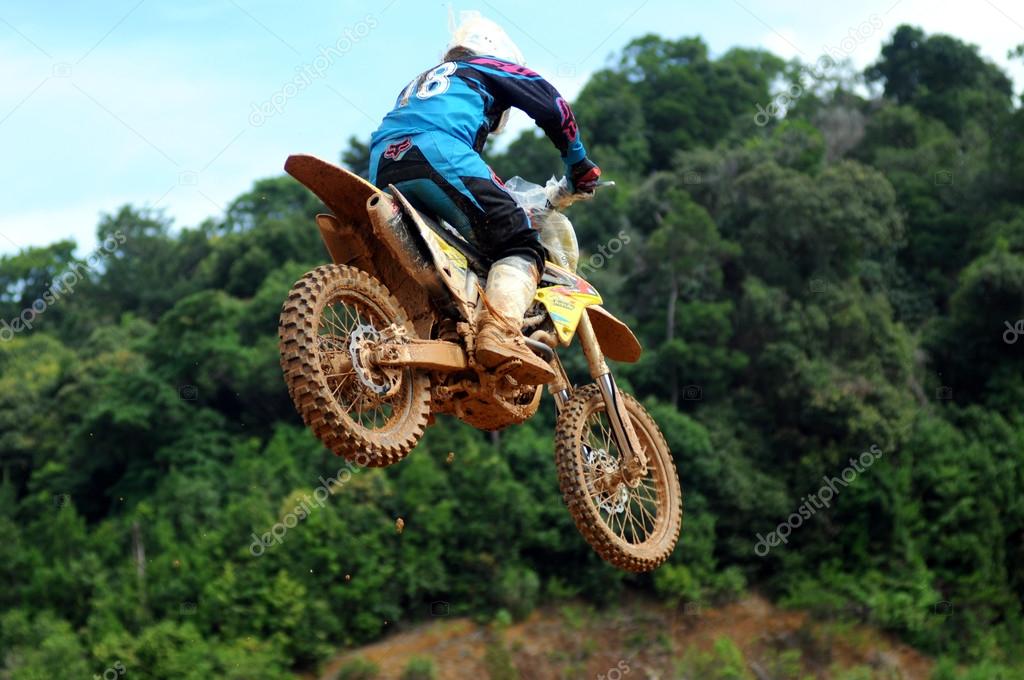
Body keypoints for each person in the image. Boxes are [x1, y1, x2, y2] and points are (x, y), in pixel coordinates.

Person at [368, 11, 601, 385]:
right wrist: (579, 163)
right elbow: (550, 103)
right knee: (519, 241)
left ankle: (446, 328)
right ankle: (501, 333)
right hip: (438, 151)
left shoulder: (426, 83)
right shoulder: (487, 66)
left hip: (383, 162)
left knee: (466, 241)